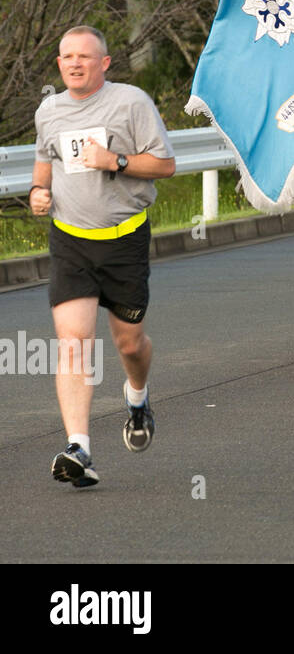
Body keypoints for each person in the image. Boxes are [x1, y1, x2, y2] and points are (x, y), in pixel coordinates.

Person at [32, 26, 176, 487]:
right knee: (74, 341)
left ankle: (138, 397)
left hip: (124, 241)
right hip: (70, 242)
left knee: (129, 344)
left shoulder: (131, 103)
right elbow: (45, 160)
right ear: (59, 63)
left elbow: (165, 164)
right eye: (68, 57)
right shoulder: (49, 110)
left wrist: (115, 161)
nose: (75, 63)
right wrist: (38, 191)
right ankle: (79, 448)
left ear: (105, 63)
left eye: (85, 56)